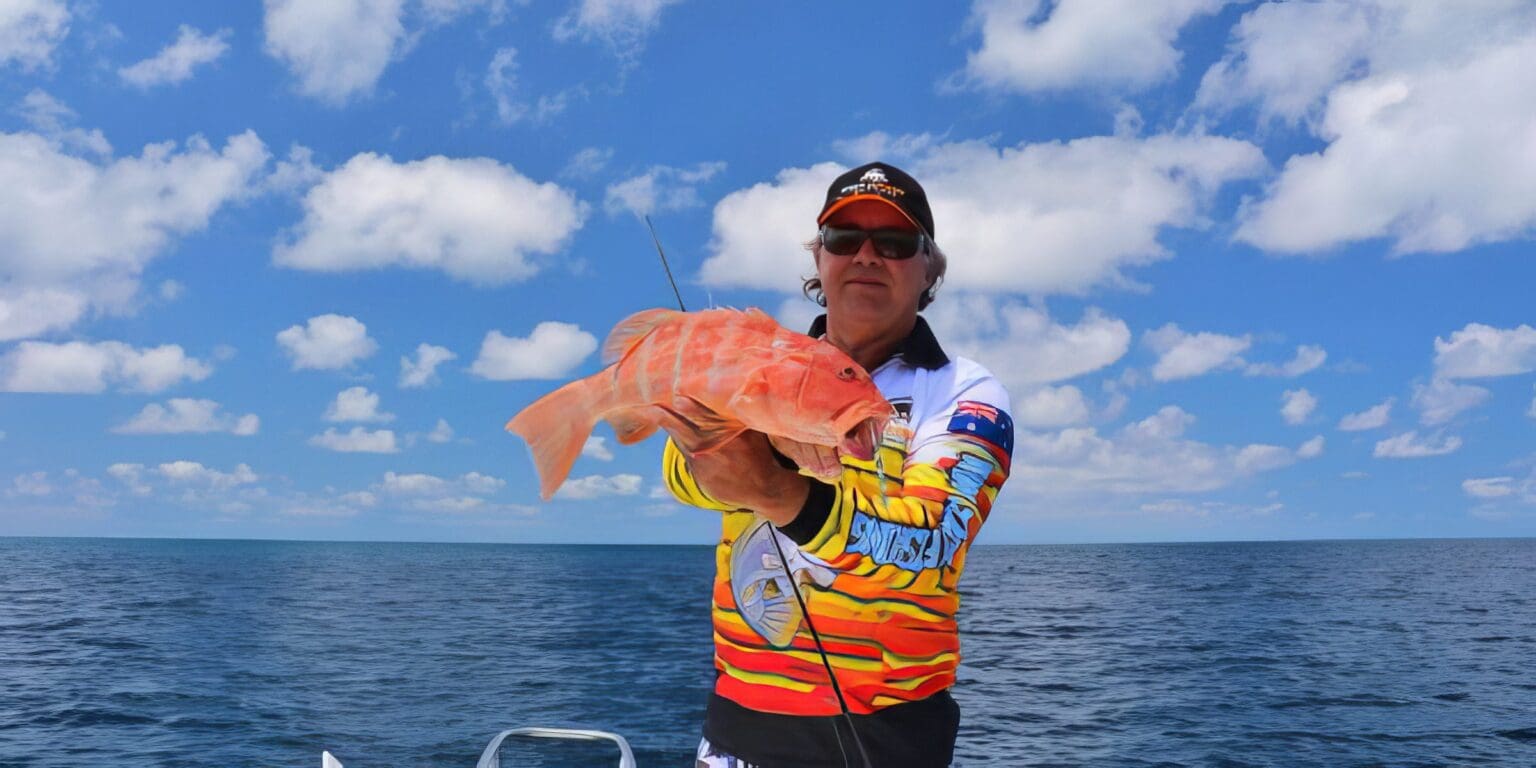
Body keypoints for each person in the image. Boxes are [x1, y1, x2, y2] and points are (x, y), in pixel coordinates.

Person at [665, 162, 1013, 768]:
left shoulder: (966, 392)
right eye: (844, 239)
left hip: (889, 742)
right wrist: (759, 450)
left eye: (897, 243)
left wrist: (778, 493)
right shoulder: (757, 361)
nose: (867, 256)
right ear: (819, 260)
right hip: (734, 733)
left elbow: (931, 546)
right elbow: (685, 475)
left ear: (930, 267)